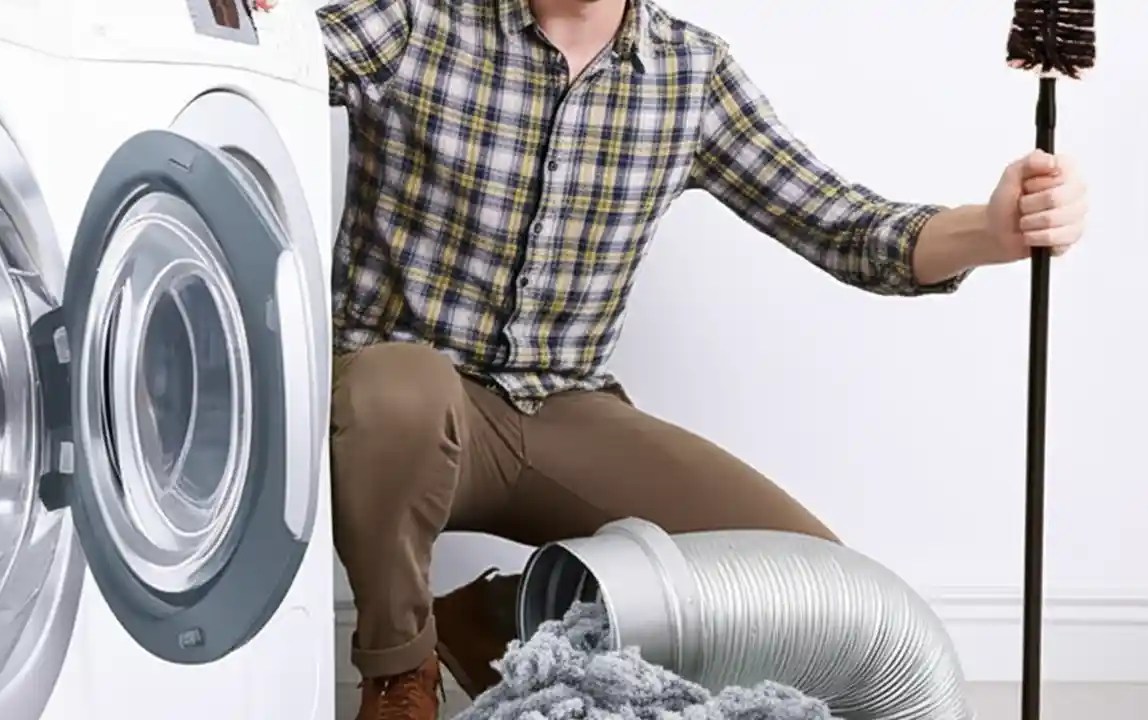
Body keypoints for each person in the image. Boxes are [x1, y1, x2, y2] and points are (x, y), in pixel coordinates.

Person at [265, 0, 1088, 717]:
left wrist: (993, 229)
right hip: (394, 408)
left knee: (812, 584)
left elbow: (842, 226)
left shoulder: (691, 73)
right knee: (400, 387)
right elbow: (269, 49)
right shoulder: (417, 21)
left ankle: (496, 625)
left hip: (562, 406)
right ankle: (399, 672)